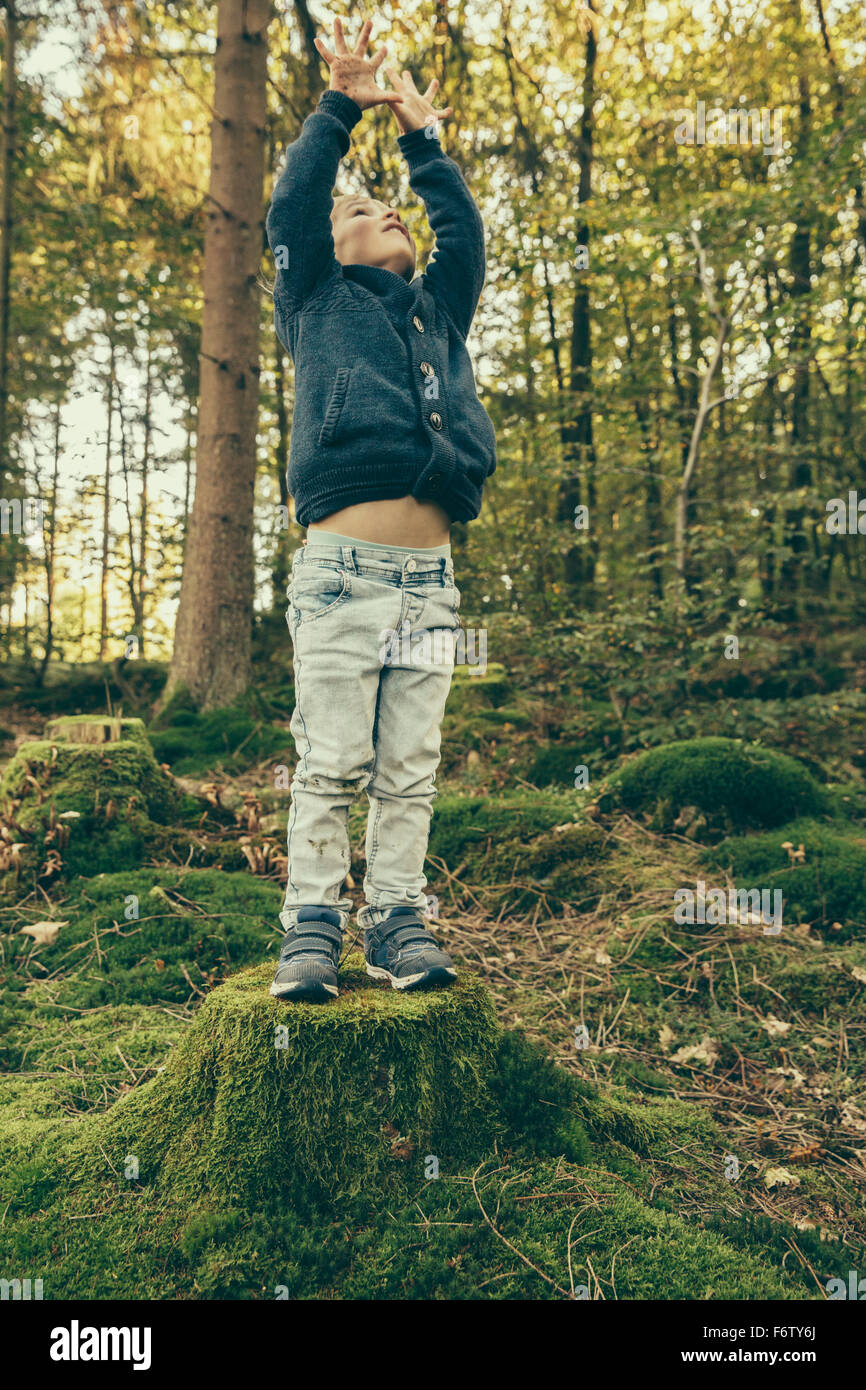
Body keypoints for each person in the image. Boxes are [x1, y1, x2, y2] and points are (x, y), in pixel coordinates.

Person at [265, 15, 496, 1001]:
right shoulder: (313, 295)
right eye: (366, 210)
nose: (390, 213)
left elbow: (466, 237)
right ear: (328, 242)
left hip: (428, 586)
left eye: (394, 208)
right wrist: (339, 109)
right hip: (338, 578)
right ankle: (311, 922)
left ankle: (396, 920)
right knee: (333, 761)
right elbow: (293, 205)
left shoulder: (436, 312)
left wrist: (419, 139)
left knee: (409, 765)